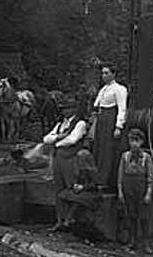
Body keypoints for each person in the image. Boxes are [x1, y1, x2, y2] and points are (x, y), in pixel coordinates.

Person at [42, 94, 89, 232]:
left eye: (67, 108)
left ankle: (70, 219)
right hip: (58, 159)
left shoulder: (80, 123)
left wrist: (56, 142)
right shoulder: (60, 124)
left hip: (71, 159)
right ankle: (60, 220)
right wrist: (58, 137)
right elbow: (46, 138)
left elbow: (73, 140)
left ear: (74, 109)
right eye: (63, 109)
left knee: (71, 188)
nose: (64, 111)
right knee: (59, 189)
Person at [117, 127, 153, 253]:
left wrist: (149, 193)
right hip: (128, 187)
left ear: (141, 142)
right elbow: (120, 175)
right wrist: (120, 191)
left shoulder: (146, 157)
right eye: (132, 141)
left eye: (137, 141)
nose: (134, 144)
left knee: (143, 217)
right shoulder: (125, 156)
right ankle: (132, 241)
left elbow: (150, 176)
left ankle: (146, 243)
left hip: (141, 187)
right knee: (131, 216)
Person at [90, 62, 128, 191]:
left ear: (113, 74)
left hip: (110, 120)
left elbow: (122, 108)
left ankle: (106, 180)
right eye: (102, 73)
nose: (104, 75)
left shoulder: (119, 89)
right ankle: (97, 178)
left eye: (107, 73)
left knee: (108, 150)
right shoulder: (103, 89)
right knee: (99, 149)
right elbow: (97, 105)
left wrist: (118, 127)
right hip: (101, 120)